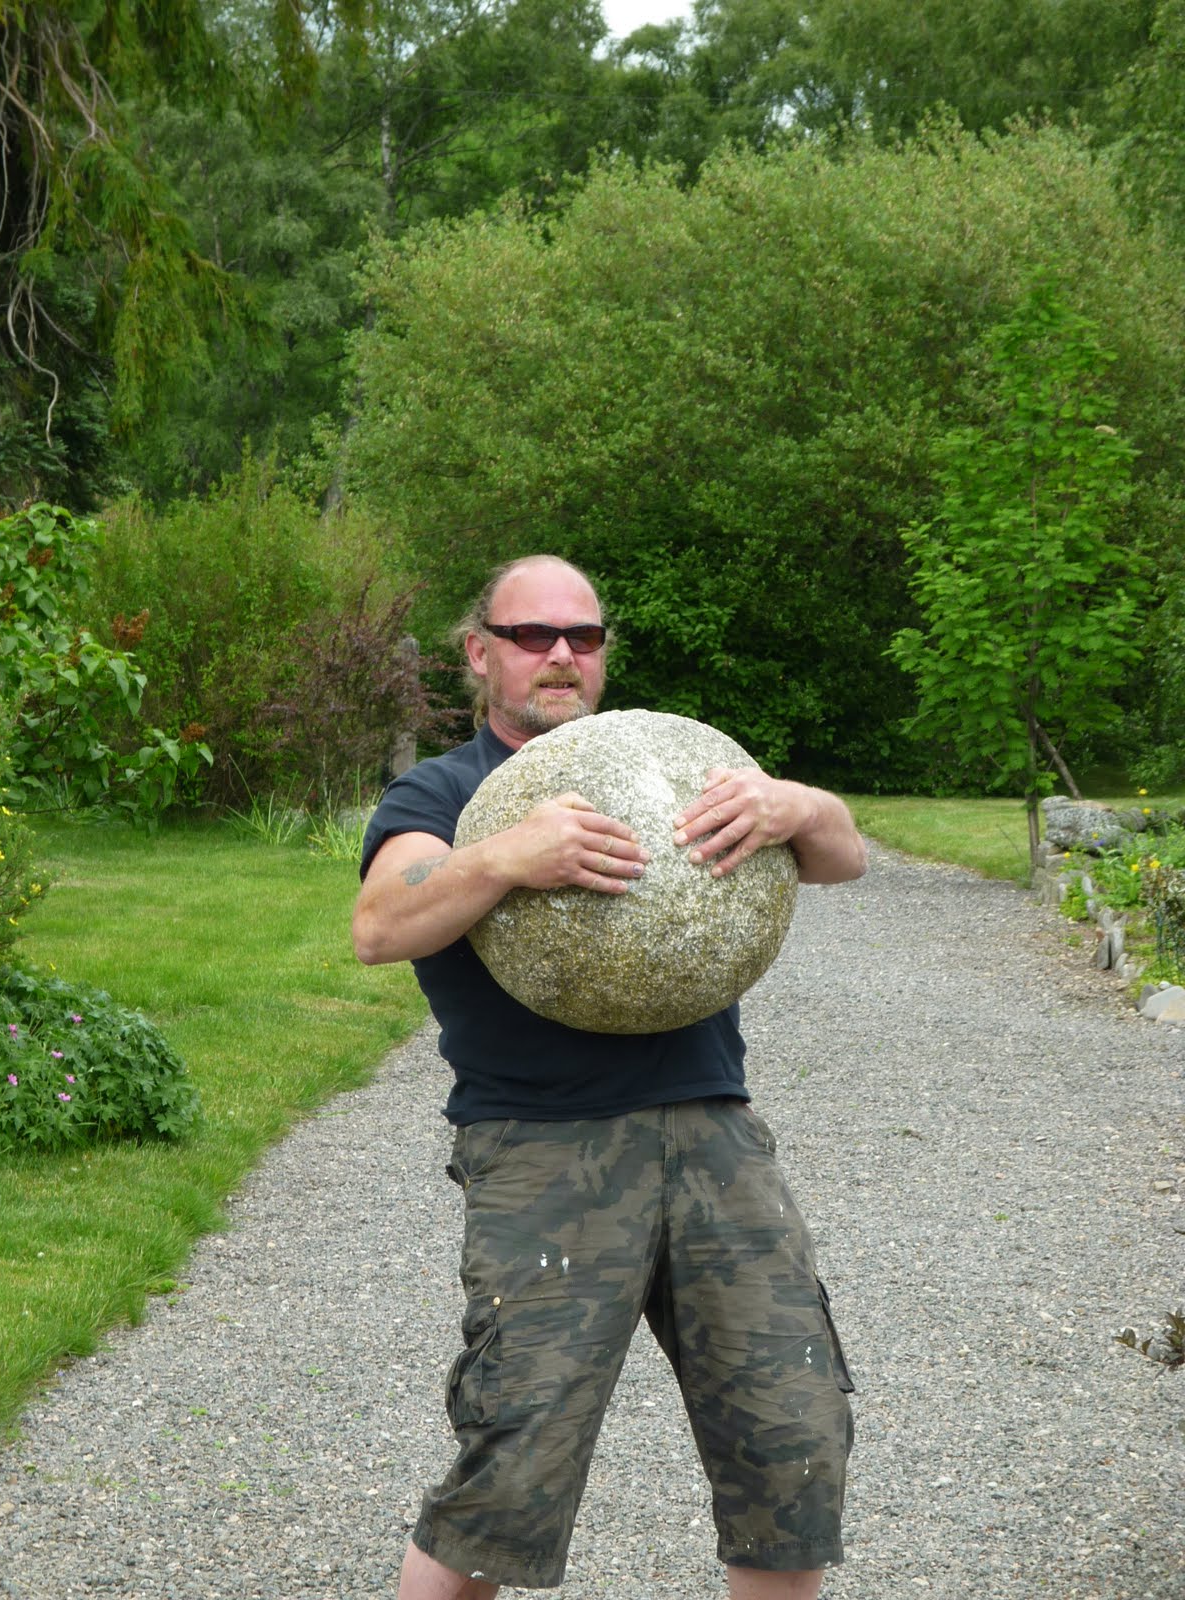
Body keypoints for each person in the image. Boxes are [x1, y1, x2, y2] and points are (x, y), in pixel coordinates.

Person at [353, 554, 868, 1600]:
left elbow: (844, 854)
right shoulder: (445, 792)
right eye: (533, 633)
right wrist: (502, 856)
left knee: (794, 1431)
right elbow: (380, 925)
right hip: (544, 1145)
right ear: (479, 651)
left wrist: (792, 804)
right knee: (515, 1451)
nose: (559, 654)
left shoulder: (666, 767)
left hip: (716, 1134)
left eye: (582, 637)